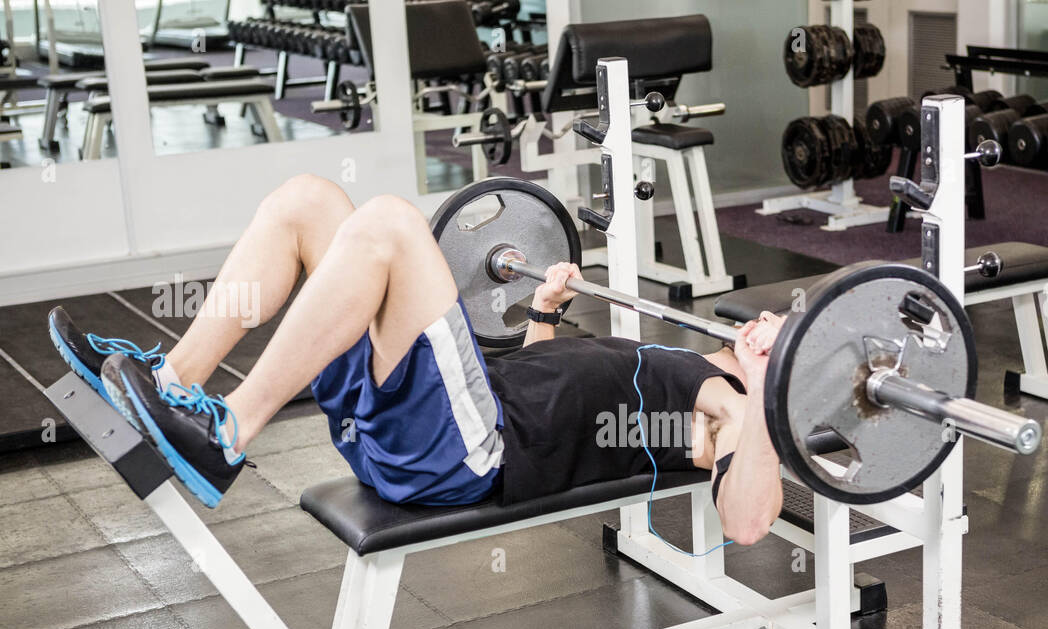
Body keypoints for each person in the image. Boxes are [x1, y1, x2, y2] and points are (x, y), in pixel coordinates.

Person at [49, 174, 785, 545]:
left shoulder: (723, 408)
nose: (766, 322)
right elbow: (565, 413)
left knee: (392, 225)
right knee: (308, 201)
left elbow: (746, 523)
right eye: (773, 317)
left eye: (783, 335)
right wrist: (544, 318)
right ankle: (172, 384)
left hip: (468, 453)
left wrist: (755, 395)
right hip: (452, 420)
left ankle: (229, 435)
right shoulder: (672, 370)